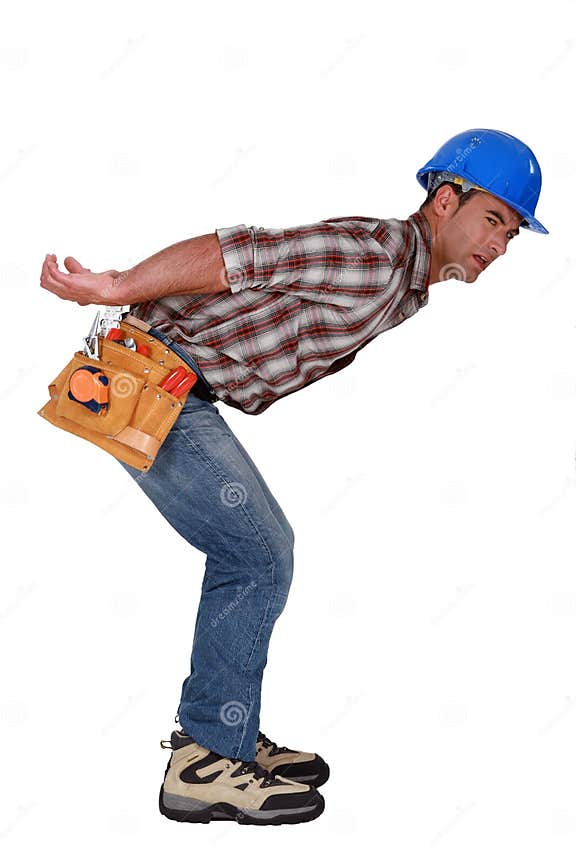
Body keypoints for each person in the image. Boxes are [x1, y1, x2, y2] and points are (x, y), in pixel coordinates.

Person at [39, 128, 548, 827]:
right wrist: (120, 284)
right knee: (259, 555)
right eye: (493, 219)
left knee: (258, 552)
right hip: (151, 383)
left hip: (170, 384)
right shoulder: (372, 259)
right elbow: (238, 252)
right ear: (444, 199)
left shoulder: (406, 283)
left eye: (512, 233)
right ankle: (205, 758)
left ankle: (227, 733)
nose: (499, 245)